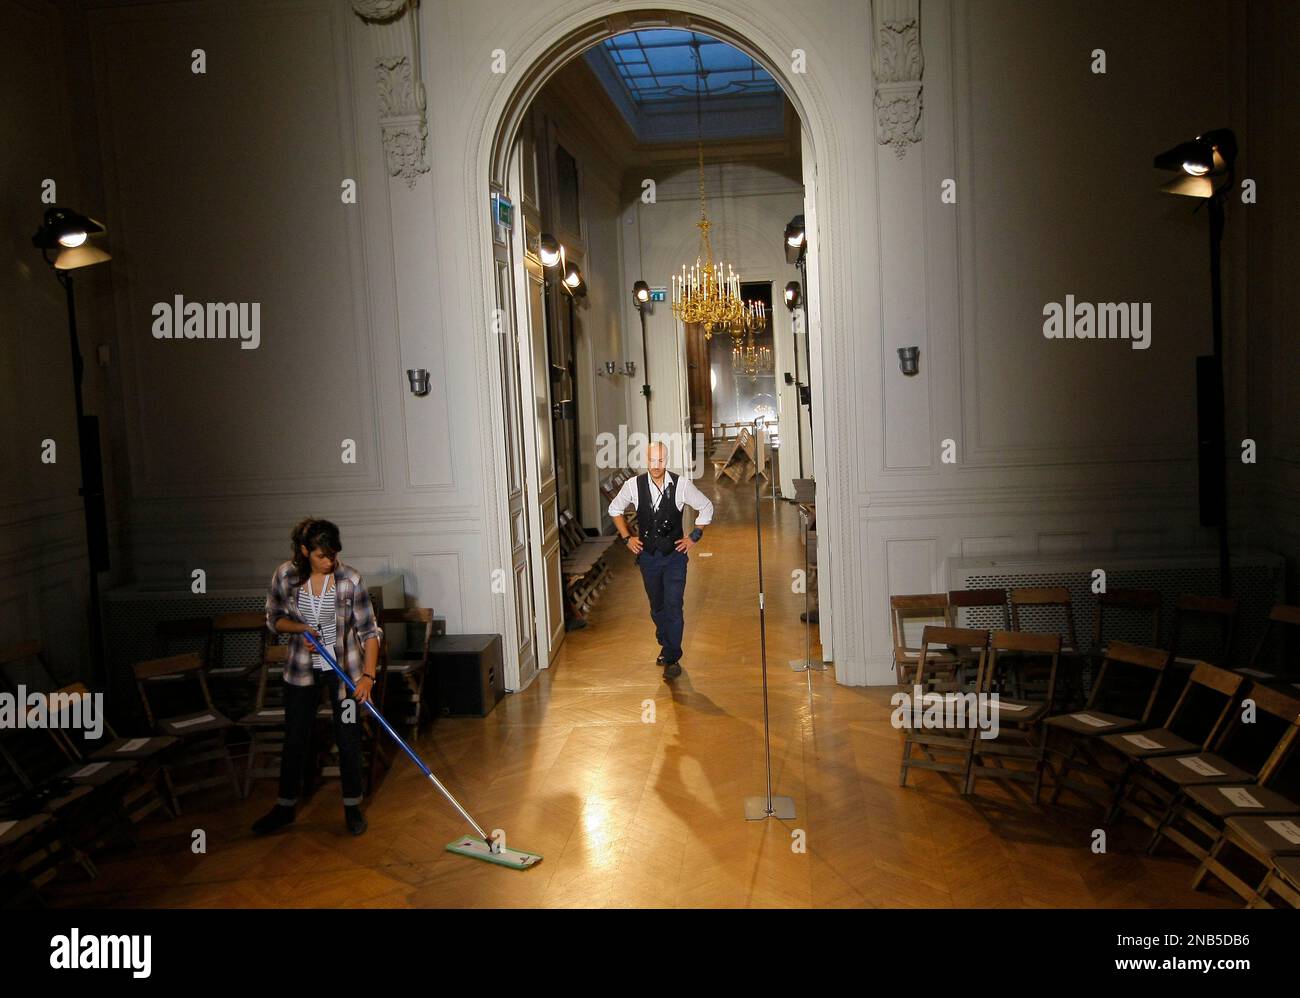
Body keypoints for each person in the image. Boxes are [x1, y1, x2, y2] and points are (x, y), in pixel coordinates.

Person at [251, 517, 382, 836]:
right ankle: (284, 806)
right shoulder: (285, 576)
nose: (330, 561)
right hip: (301, 671)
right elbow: (274, 620)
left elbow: (369, 631)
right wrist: (301, 629)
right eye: (322, 555)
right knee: (295, 737)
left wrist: (367, 676)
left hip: (345, 672)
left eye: (333, 554)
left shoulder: (350, 579)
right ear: (304, 550)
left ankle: (352, 807)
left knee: (348, 738)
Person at [608, 442, 714, 680]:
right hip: (648, 558)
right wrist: (627, 538)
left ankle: (672, 655)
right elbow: (614, 509)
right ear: (646, 460)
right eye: (652, 461)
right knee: (657, 606)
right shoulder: (633, 486)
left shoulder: (681, 485)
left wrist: (694, 537)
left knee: (674, 605)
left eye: (661, 461)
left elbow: (706, 506)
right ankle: (665, 642)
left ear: (667, 460)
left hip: (675, 556)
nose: (656, 466)